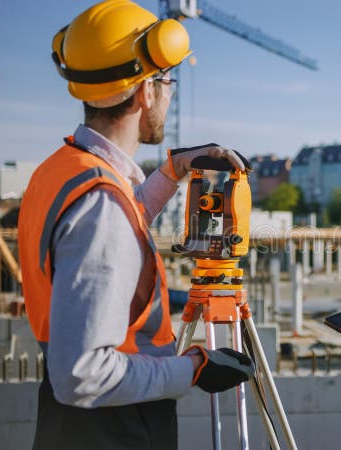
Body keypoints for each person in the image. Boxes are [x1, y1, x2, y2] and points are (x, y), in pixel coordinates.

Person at [18, 1, 254, 449]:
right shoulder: (102, 203)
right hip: (112, 423)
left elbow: (113, 230)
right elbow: (81, 375)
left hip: (73, 422)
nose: (169, 93)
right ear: (145, 92)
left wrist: (173, 171)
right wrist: (194, 369)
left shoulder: (64, 170)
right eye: (167, 81)